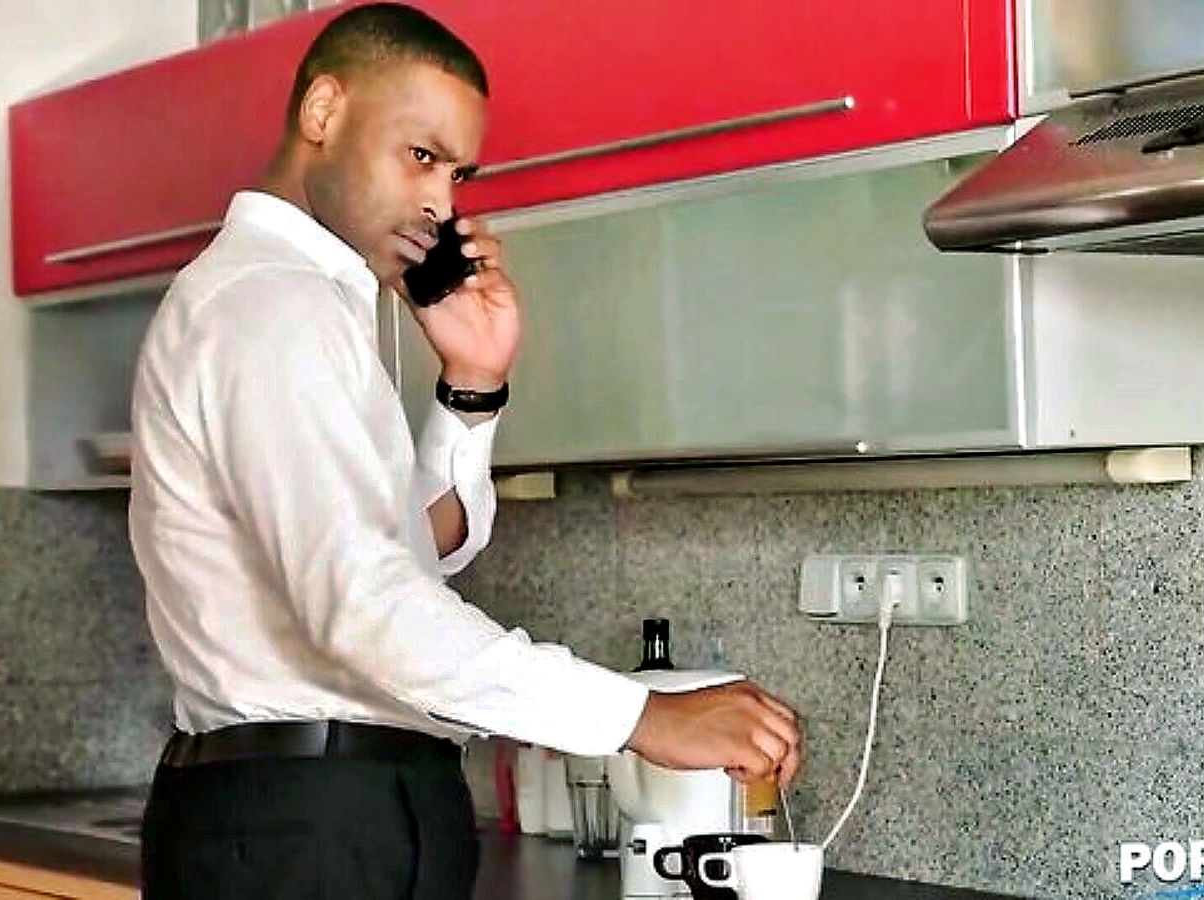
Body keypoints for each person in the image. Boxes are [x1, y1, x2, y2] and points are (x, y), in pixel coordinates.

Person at [127, 4, 802, 898]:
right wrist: (640, 716)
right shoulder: (271, 307)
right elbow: (363, 604)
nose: (442, 204)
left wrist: (472, 383)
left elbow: (406, 549)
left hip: (328, 810)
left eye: (457, 172)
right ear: (324, 113)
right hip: (309, 824)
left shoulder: (308, 303)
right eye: (421, 156)